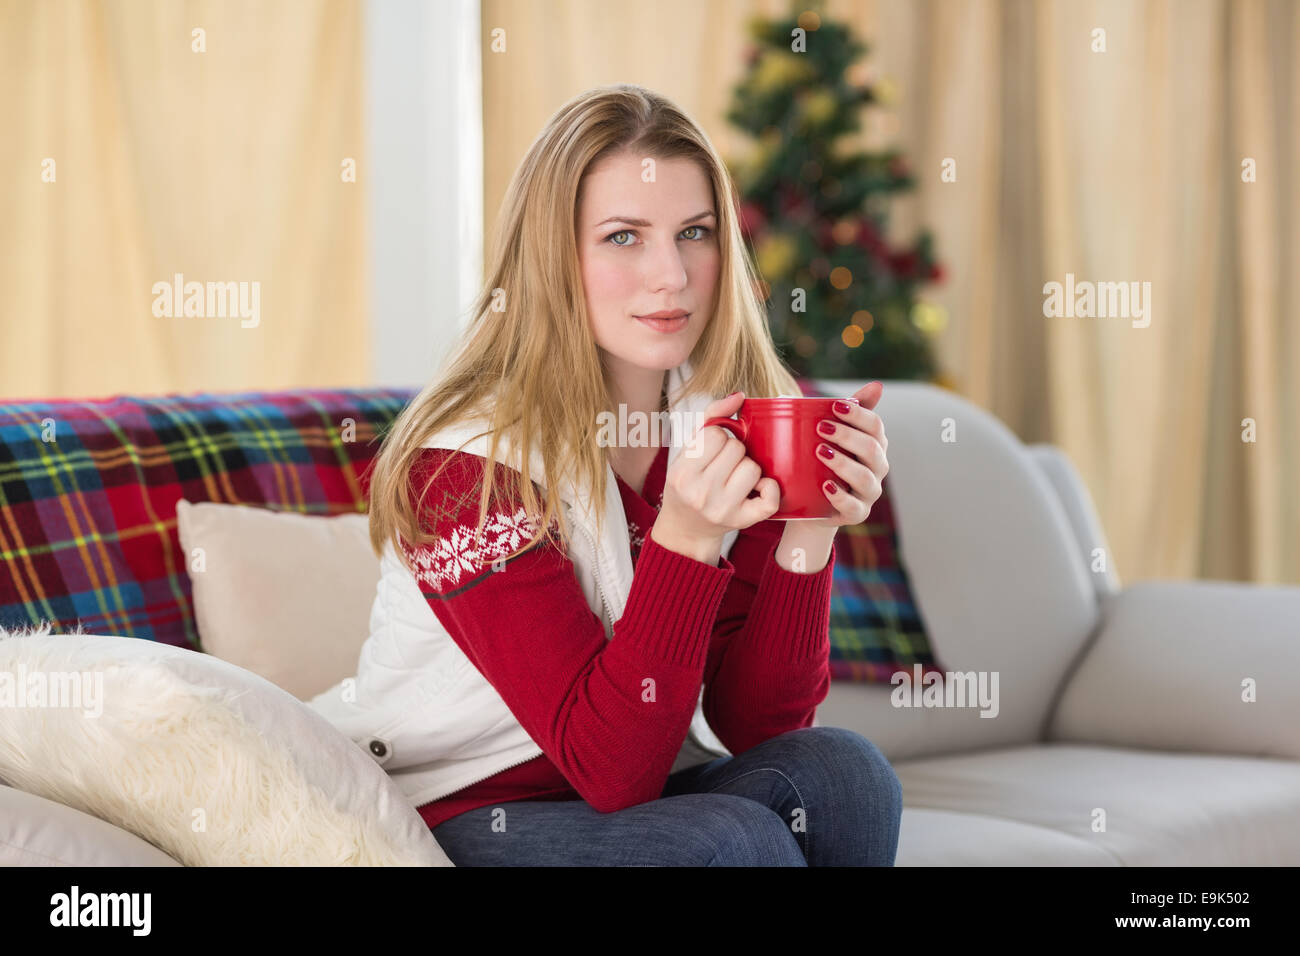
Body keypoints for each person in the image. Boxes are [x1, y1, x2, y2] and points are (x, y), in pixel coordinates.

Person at [354, 84, 901, 866]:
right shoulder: (464, 467)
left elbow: (759, 730)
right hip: (466, 809)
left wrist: (810, 528)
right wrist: (686, 538)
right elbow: (611, 769)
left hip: (643, 790)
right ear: (554, 258)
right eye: (622, 237)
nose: (671, 275)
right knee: (729, 838)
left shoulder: (721, 426)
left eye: (694, 233)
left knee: (845, 775)